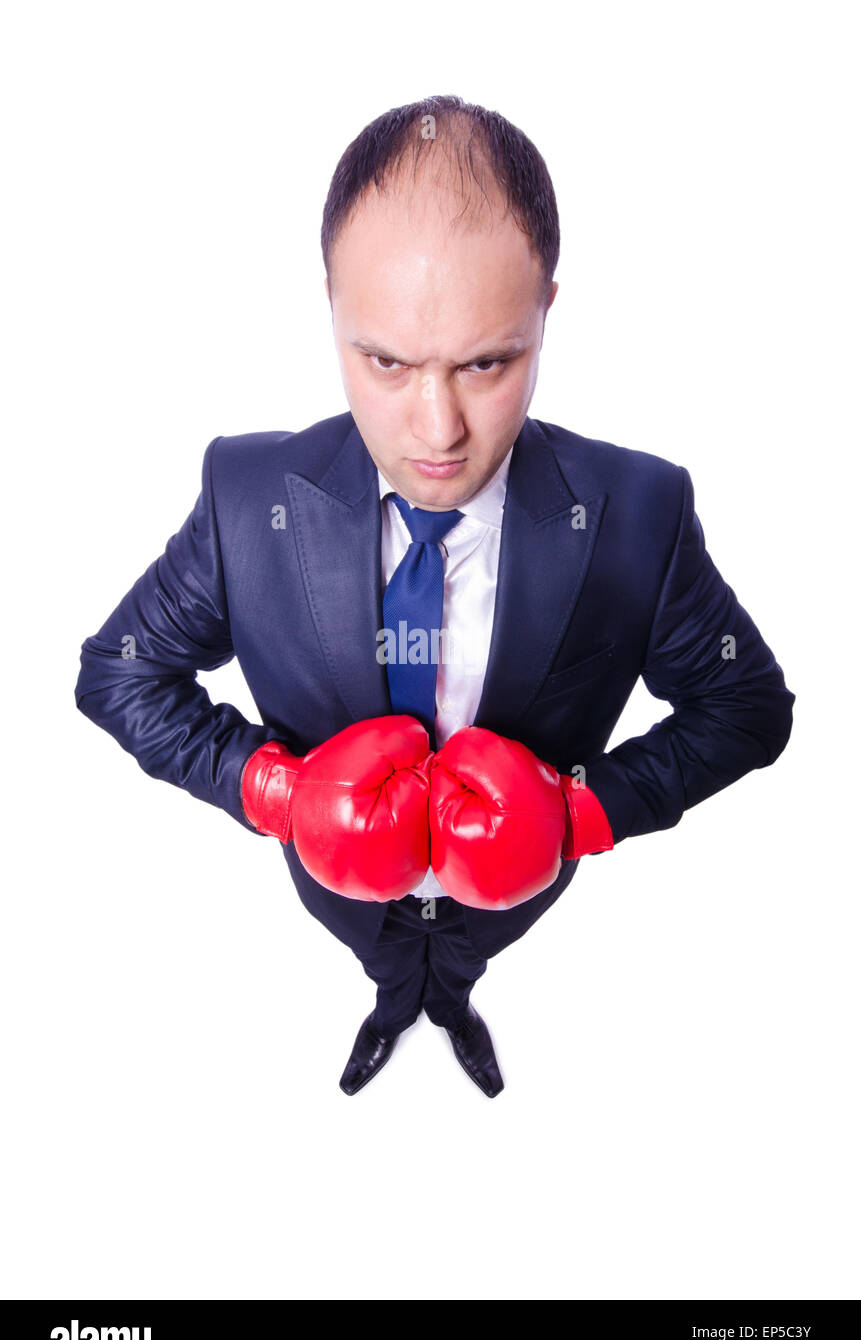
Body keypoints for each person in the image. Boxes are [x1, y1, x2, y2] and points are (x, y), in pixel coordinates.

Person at [74, 95, 795, 1099]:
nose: (437, 428)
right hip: (337, 891)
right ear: (330, 305)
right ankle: (387, 1004)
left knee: (458, 965)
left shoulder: (639, 511)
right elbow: (118, 673)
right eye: (385, 361)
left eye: (489, 362)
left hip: (512, 893)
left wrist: (582, 814)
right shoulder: (246, 500)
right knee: (386, 965)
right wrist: (273, 791)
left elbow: (749, 708)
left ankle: (453, 1002)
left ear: (546, 307)